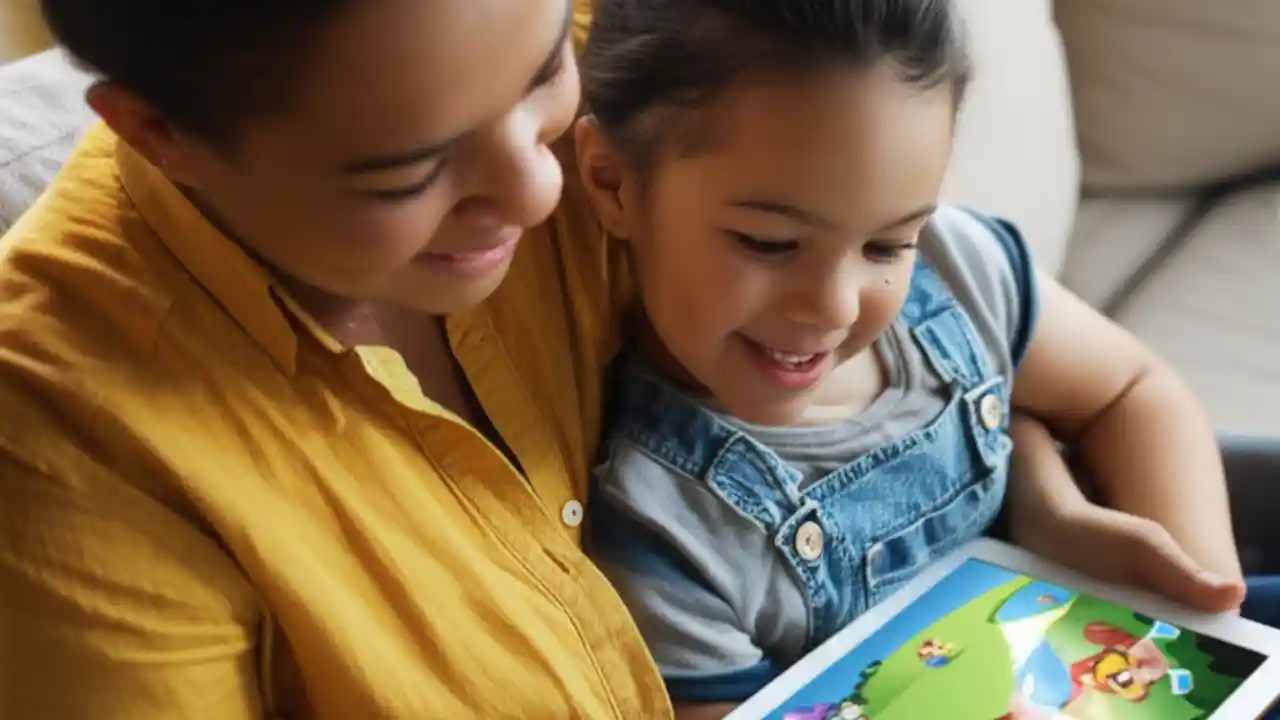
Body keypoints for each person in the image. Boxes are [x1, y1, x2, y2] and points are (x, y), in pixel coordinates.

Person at [574, 1, 1272, 716]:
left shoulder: (956, 269)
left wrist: (1196, 617)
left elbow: (1133, 390)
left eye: (886, 245)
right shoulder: (664, 540)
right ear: (612, 183)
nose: (835, 307)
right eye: (769, 243)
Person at [0, 1, 675, 717]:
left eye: (542, 78)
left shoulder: (626, 43)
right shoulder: (61, 453)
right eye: (411, 169)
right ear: (158, 133)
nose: (538, 191)